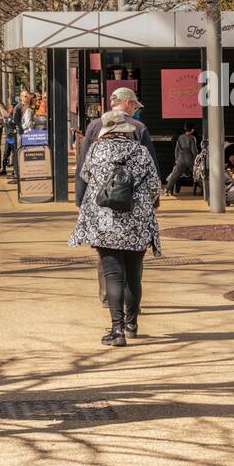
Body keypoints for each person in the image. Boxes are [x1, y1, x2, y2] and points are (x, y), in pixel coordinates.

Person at [69, 106, 161, 346]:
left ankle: (117, 330)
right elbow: (154, 186)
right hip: (137, 220)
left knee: (113, 274)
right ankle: (132, 324)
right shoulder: (141, 152)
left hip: (105, 220)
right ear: (126, 130)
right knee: (134, 274)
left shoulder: (97, 150)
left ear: (106, 131)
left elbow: (86, 176)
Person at [75, 87, 159, 204]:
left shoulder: (93, 126)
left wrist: (80, 199)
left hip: (99, 198)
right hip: (133, 199)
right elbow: (152, 168)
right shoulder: (139, 127)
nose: (135, 111)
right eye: (135, 107)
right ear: (128, 103)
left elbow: (83, 166)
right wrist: (154, 201)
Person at [163, 122, 199, 196]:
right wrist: (196, 161)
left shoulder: (180, 137)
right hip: (189, 159)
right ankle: (205, 190)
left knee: (175, 175)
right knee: (197, 174)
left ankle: (166, 190)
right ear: (192, 130)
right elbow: (194, 151)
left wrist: (177, 159)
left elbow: (177, 149)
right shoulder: (192, 138)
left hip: (180, 158)